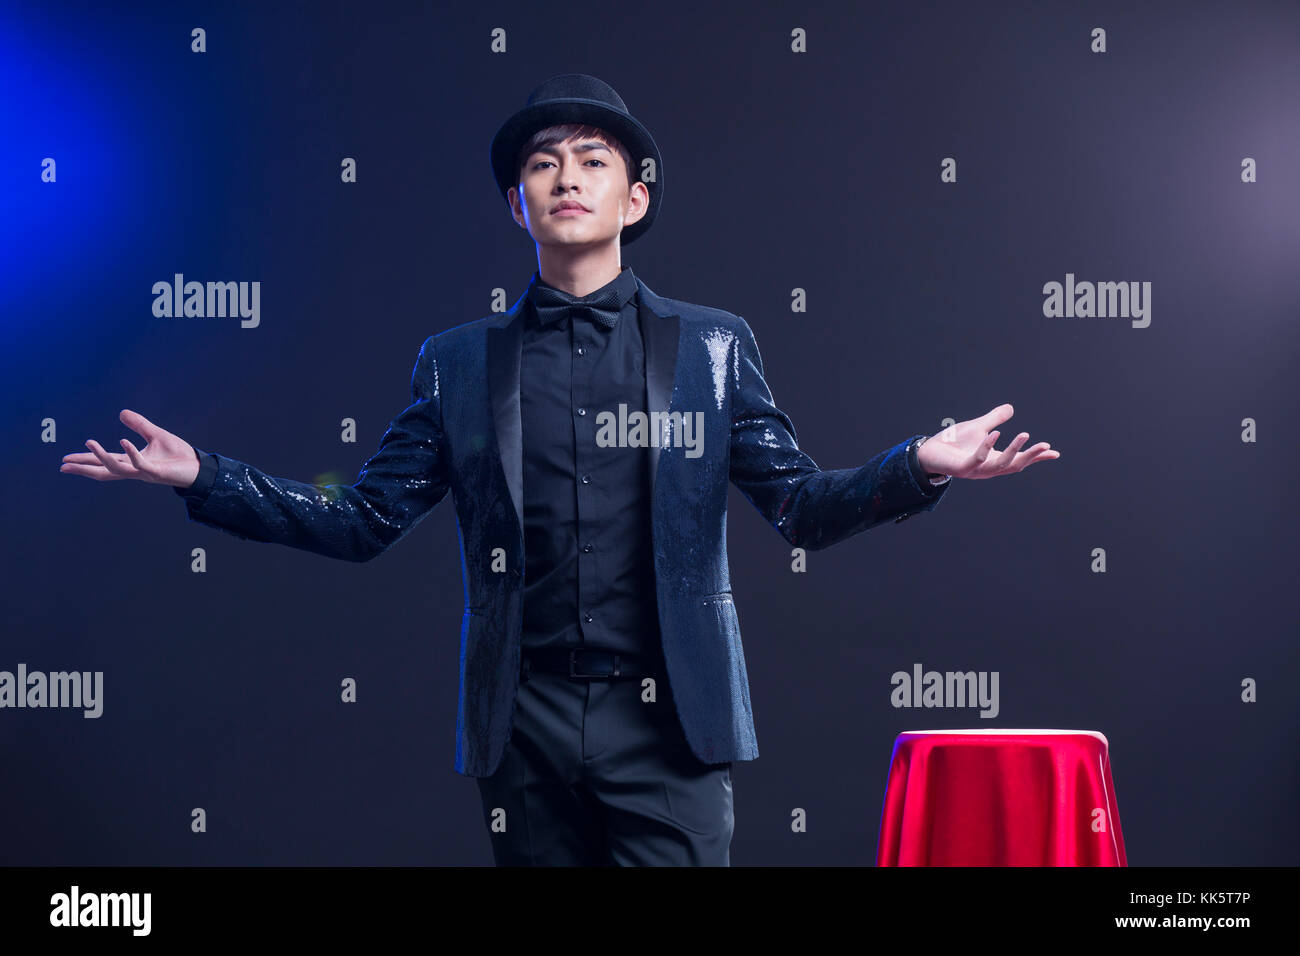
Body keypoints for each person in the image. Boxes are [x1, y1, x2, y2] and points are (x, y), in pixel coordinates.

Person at [59, 74, 1059, 866]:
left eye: (591, 159)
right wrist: (207, 474)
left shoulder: (712, 346)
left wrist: (917, 464)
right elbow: (363, 516)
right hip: (522, 726)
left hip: (672, 722)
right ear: (516, 202)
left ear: (635, 196)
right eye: (543, 163)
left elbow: (797, 505)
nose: (565, 175)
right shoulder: (455, 360)